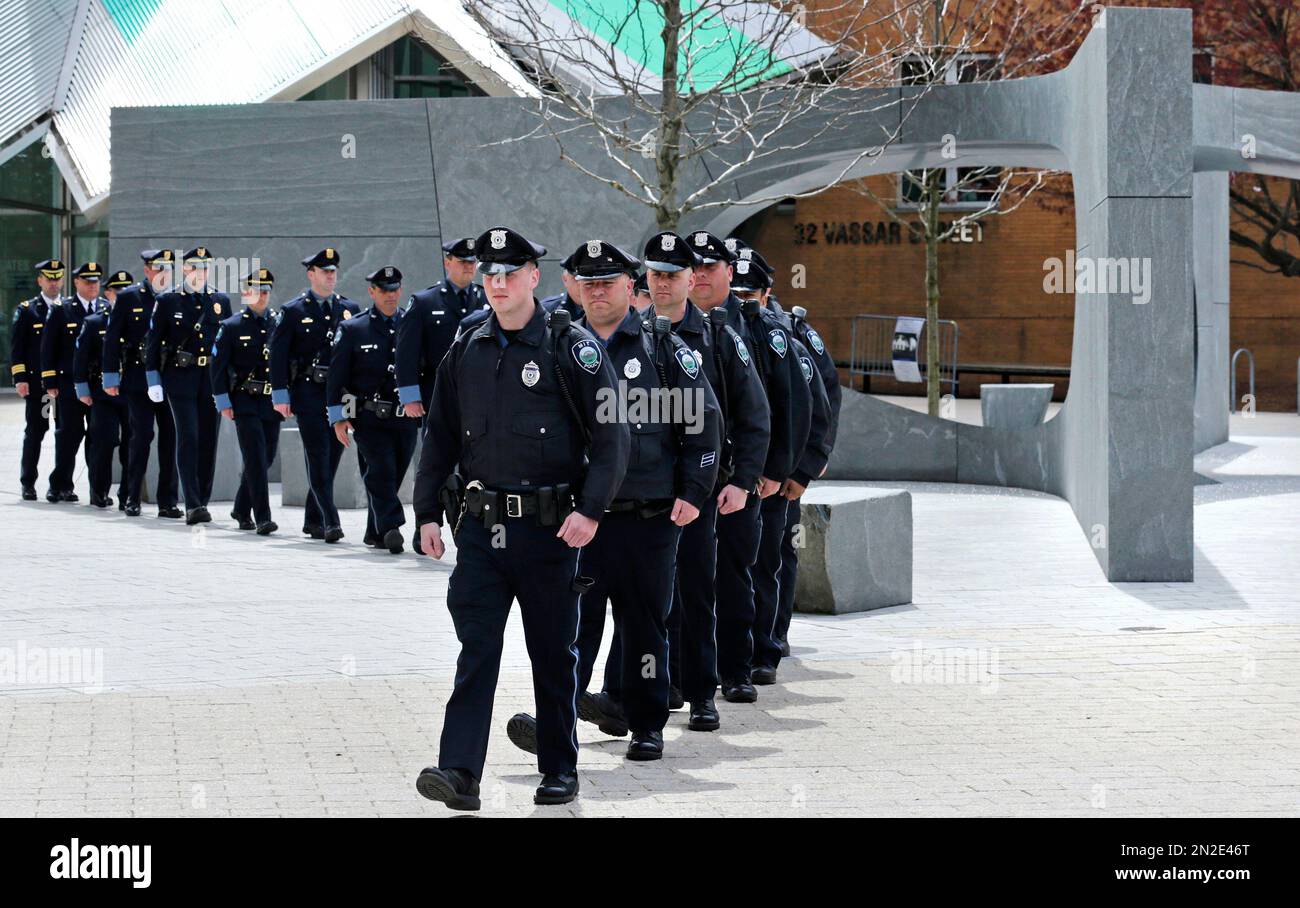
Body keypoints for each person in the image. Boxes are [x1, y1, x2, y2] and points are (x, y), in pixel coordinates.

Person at [412, 226, 629, 811]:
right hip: (481, 529)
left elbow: (613, 435)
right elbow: (438, 436)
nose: (498, 284)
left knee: (552, 656)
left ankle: (559, 769)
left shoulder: (570, 346)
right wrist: (426, 513)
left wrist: (591, 510)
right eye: (489, 274)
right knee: (475, 651)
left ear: (534, 277)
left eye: (510, 273)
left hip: (548, 531)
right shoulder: (466, 345)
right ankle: (460, 773)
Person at [507, 239, 720, 762]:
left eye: (608, 282)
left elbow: (704, 424)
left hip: (646, 518)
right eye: (589, 282)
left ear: (632, 285)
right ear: (575, 287)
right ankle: (561, 721)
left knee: (644, 626)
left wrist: (694, 492)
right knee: (571, 627)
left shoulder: (663, 348)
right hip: (575, 517)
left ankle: (646, 725)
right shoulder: (554, 345)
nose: (598, 291)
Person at [683, 230, 808, 704]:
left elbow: (781, 404)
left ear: (728, 273)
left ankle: (739, 667)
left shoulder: (754, 328)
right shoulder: (665, 327)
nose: (699, 276)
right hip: (684, 482)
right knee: (685, 583)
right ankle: (686, 673)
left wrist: (778, 470)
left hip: (740, 478)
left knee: (739, 574)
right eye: (691, 268)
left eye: (709, 268)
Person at [729, 247, 832, 683]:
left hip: (776, 470)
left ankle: (766, 645)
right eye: (736, 292)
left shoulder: (784, 335)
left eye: (749, 293)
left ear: (767, 292)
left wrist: (802, 469)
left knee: (772, 557)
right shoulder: (718, 331)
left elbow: (816, 402)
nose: (742, 299)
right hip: (733, 475)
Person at [269, 247, 362, 543]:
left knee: (332, 457)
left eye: (334, 271)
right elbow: (278, 355)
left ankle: (313, 519)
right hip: (308, 392)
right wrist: (280, 394)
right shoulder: (294, 310)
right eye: (325, 272)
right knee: (318, 456)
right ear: (311, 274)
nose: (331, 276)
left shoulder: (349, 309)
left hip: (338, 395)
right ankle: (330, 520)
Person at [329, 266, 420, 554]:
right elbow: (337, 376)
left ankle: (375, 531)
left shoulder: (413, 324)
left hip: (405, 417)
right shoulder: (354, 329)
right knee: (380, 470)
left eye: (395, 289)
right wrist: (338, 417)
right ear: (372, 292)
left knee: (393, 475)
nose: (391, 295)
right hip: (367, 416)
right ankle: (392, 526)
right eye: (384, 290)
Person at [146, 246, 232, 525]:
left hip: (210, 380)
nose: (201, 272)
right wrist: (153, 379)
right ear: (185, 269)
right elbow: (153, 342)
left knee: (209, 440)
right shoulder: (169, 300)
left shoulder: (219, 300)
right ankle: (192, 503)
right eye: (195, 267)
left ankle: (202, 499)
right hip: (180, 377)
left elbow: (227, 345)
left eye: (206, 268)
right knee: (189, 436)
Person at [103, 249, 182, 519]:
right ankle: (132, 496)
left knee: (171, 439)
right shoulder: (128, 298)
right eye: (158, 269)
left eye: (168, 270)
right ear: (147, 270)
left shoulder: (178, 298)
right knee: (141, 437)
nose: (163, 274)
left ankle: (168, 501)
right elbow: (112, 339)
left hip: (170, 378)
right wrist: (111, 376)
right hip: (138, 379)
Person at [211, 268, 281, 535]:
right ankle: (262, 516)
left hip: (271, 402)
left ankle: (241, 507)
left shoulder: (278, 323)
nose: (261, 296)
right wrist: (223, 402)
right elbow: (217, 368)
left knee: (266, 458)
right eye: (256, 290)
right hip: (245, 401)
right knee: (254, 458)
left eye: (265, 291)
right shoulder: (231, 327)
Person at [396, 237, 486, 423]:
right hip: (437, 389)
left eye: (472, 261)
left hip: (479, 389)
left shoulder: (487, 299)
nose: (468, 266)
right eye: (462, 261)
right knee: (438, 447)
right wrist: (409, 395)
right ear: (447, 262)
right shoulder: (424, 301)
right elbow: (407, 351)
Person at [41, 261, 106, 503]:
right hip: (68, 384)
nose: (92, 286)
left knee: (98, 437)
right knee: (68, 434)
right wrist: (50, 382)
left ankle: (97, 490)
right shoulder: (62, 309)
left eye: (96, 282)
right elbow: (48, 348)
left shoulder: (105, 307)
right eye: (87, 282)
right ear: (76, 282)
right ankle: (60, 485)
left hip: (98, 384)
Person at [74, 270, 134, 509]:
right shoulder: (95, 322)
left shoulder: (137, 321)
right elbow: (80, 359)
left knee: (132, 443)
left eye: (126, 291)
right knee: (104, 441)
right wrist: (82, 389)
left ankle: (128, 494)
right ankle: (99, 491)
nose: (122, 295)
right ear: (108, 293)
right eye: (117, 291)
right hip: (102, 393)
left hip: (131, 392)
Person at [11, 259, 63, 500]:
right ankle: (28, 482)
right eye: (49, 279)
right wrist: (20, 378)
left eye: (57, 278)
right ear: (39, 280)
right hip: (39, 385)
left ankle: (63, 483)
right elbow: (17, 348)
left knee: (67, 433)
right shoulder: (28, 310)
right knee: (36, 431)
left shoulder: (69, 307)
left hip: (64, 385)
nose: (53, 283)